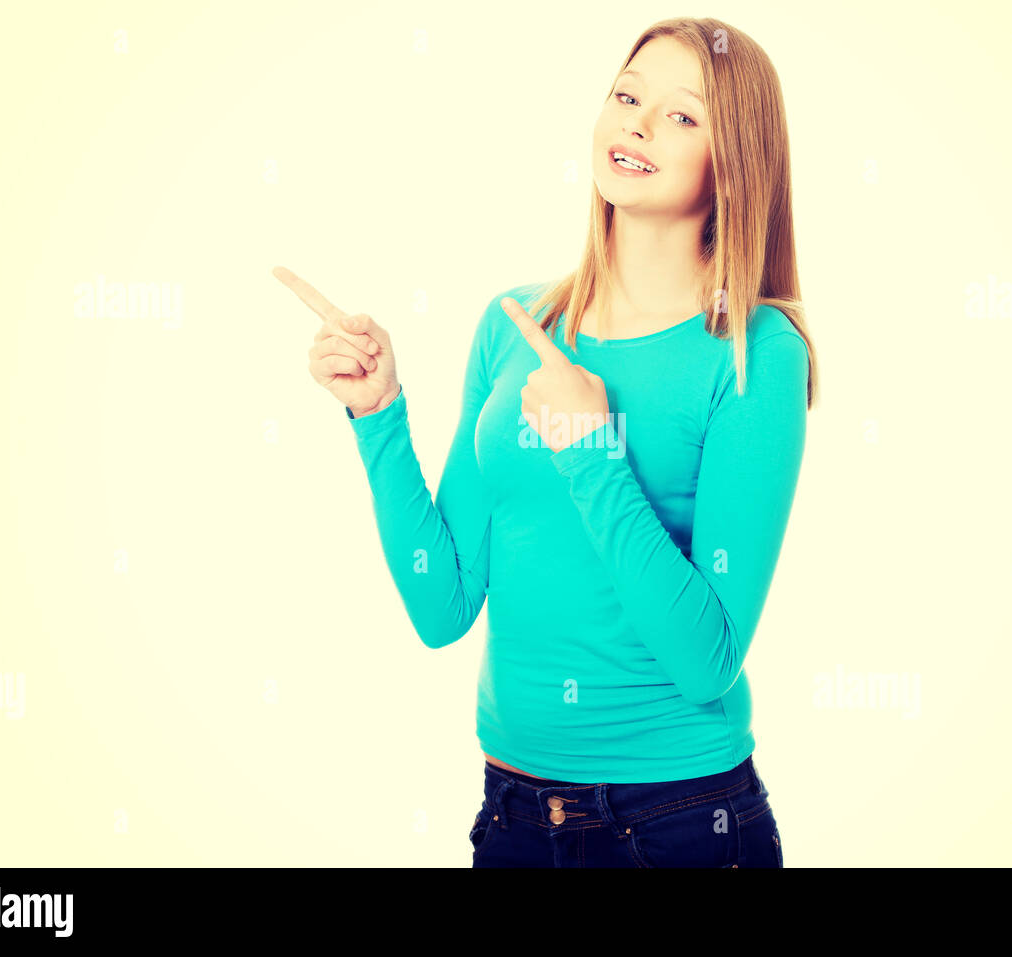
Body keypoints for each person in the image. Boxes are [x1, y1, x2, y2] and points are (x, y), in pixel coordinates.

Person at [273, 16, 817, 868]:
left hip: (680, 822)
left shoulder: (755, 352)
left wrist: (589, 446)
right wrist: (379, 415)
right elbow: (442, 605)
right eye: (627, 97)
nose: (636, 123)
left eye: (681, 115)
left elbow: (709, 658)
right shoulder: (520, 325)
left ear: (734, 160)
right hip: (514, 816)